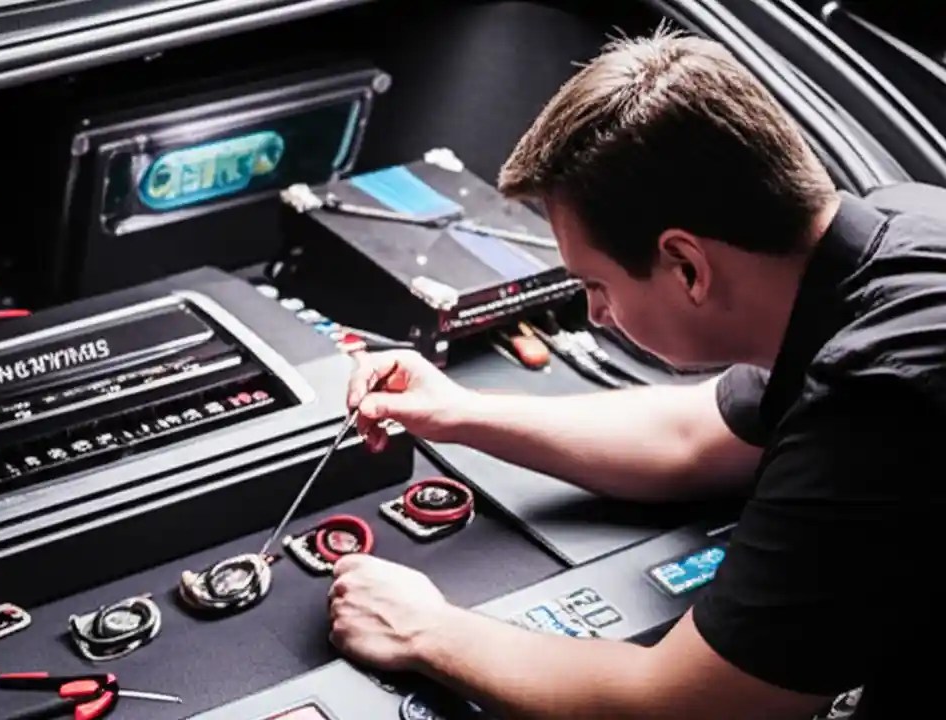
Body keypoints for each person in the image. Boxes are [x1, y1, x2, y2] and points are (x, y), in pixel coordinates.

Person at [326, 28, 945, 720]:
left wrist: (425, 630)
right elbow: (690, 434)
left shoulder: (880, 401)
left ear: (687, 267)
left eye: (596, 283)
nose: (595, 317)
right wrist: (460, 410)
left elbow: (689, 705)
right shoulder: (906, 222)